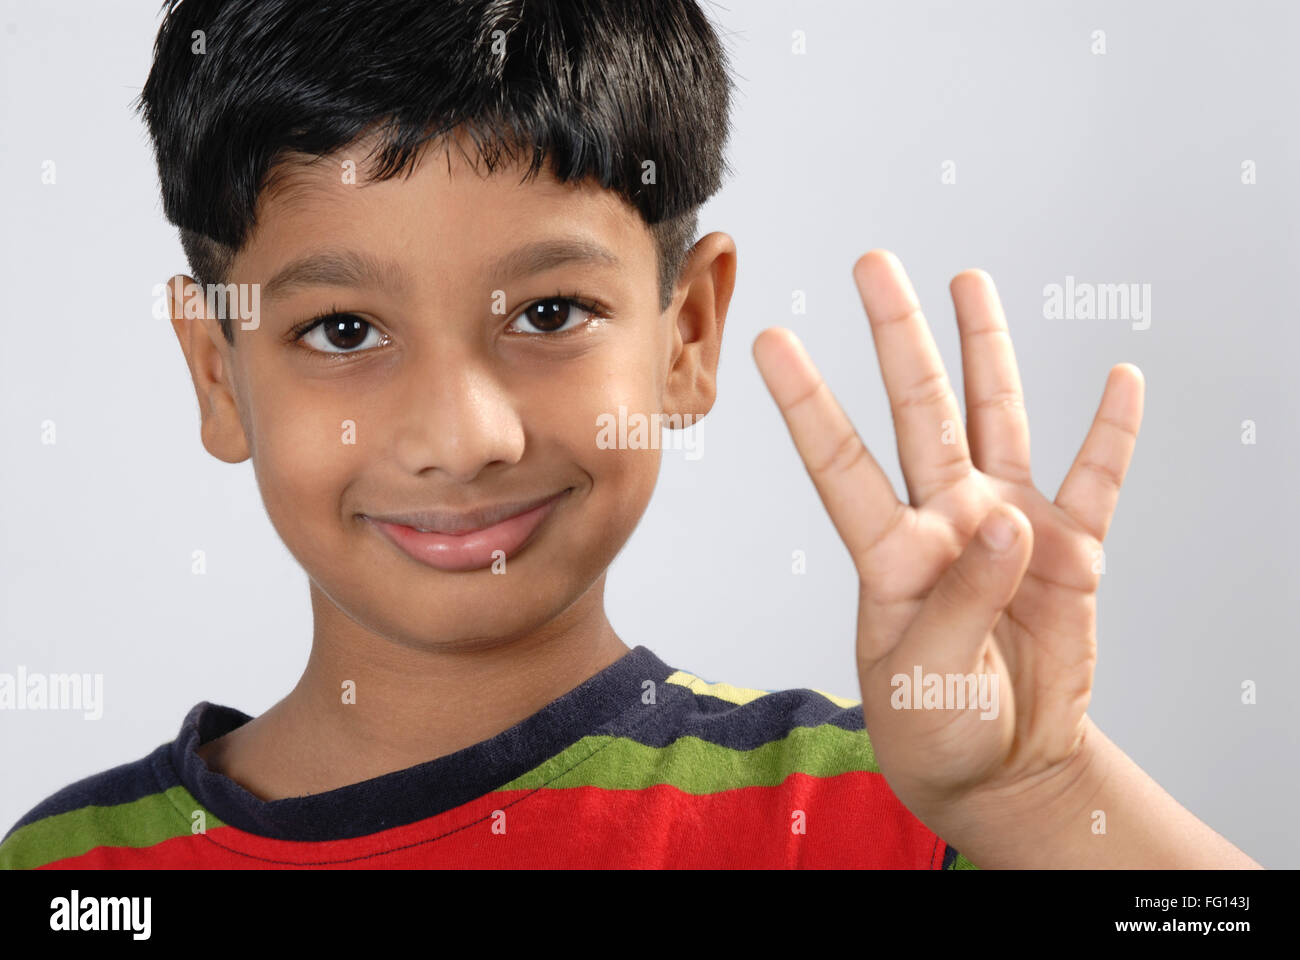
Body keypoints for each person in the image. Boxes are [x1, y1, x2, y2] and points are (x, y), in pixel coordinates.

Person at [0, 0, 1258, 869]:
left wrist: (1044, 797)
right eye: (342, 332)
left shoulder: (882, 813)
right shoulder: (75, 870)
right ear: (218, 372)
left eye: (549, 311)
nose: (462, 434)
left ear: (686, 333)